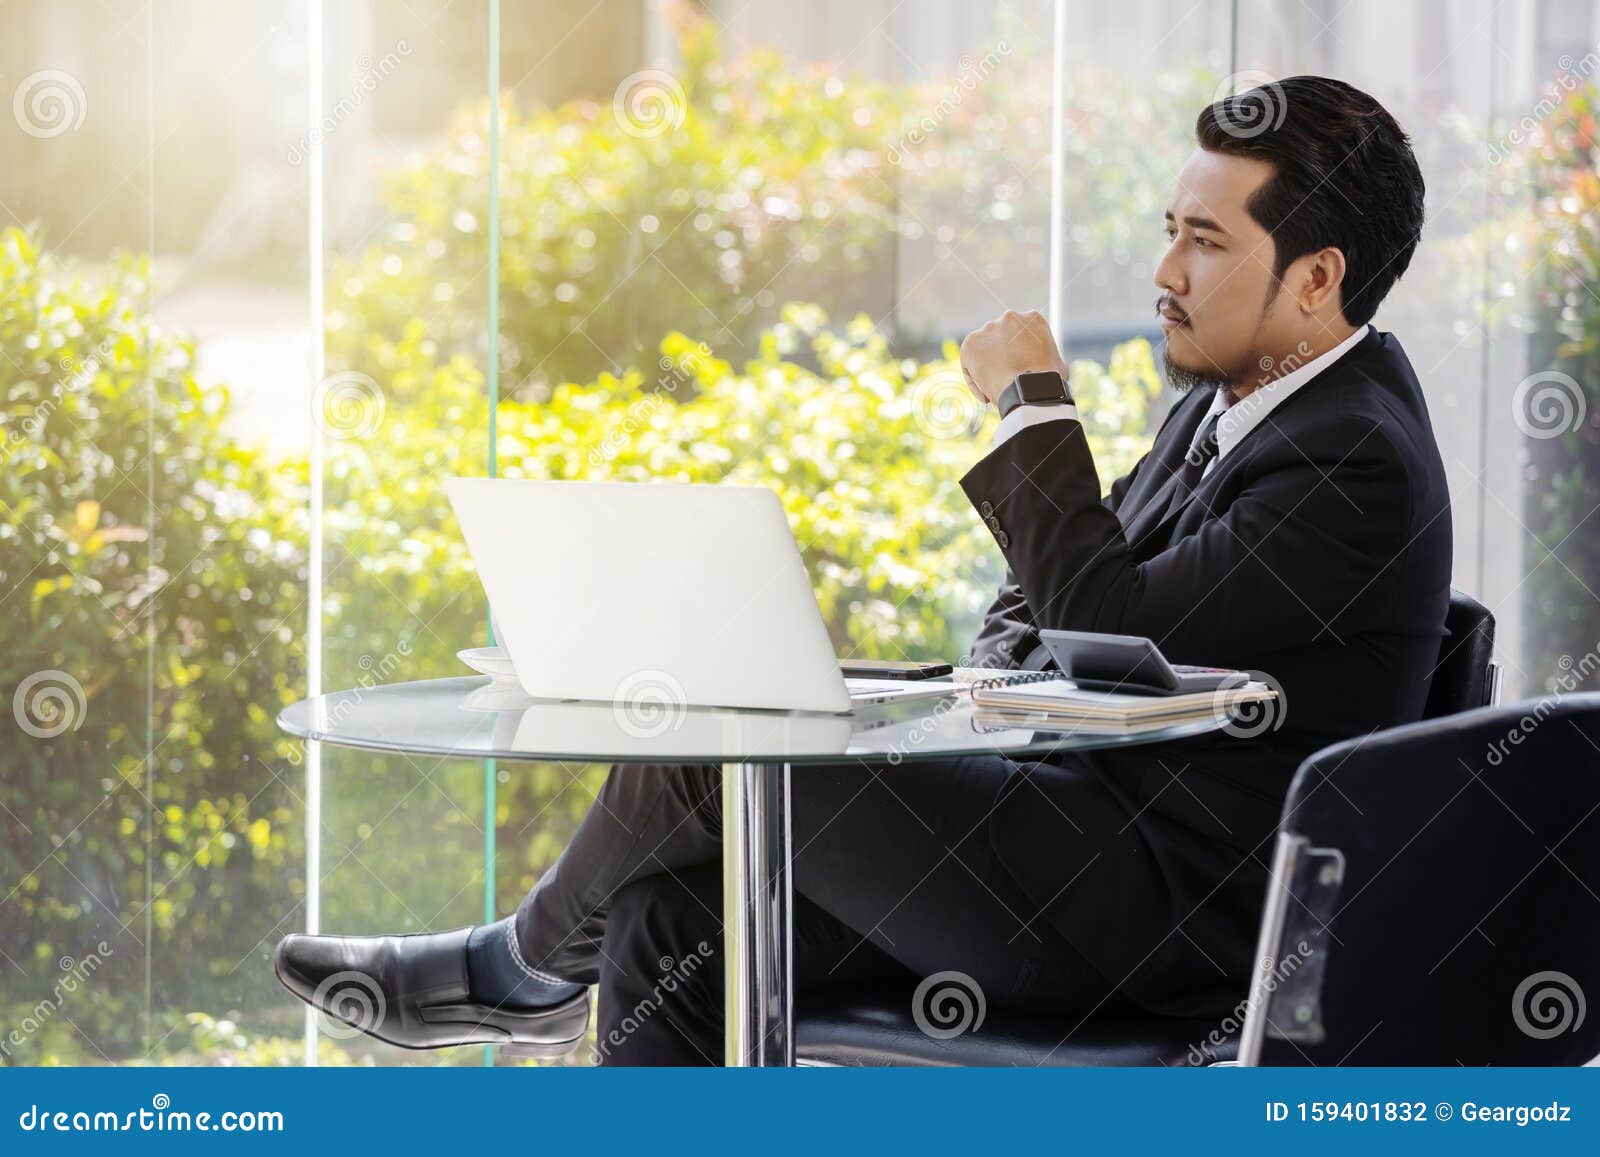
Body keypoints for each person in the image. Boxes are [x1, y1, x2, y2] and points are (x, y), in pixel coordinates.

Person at [276, 75, 1451, 1065]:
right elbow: (1055, 614)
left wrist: (1034, 404)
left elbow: (1101, 610)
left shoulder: (1350, 455)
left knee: (716, 754)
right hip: (1078, 852)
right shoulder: (1239, 412)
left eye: (1206, 242)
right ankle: (543, 972)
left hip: (1164, 920)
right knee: (667, 917)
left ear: (1315, 277)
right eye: (1169, 230)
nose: (1166, 271)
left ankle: (516, 968)